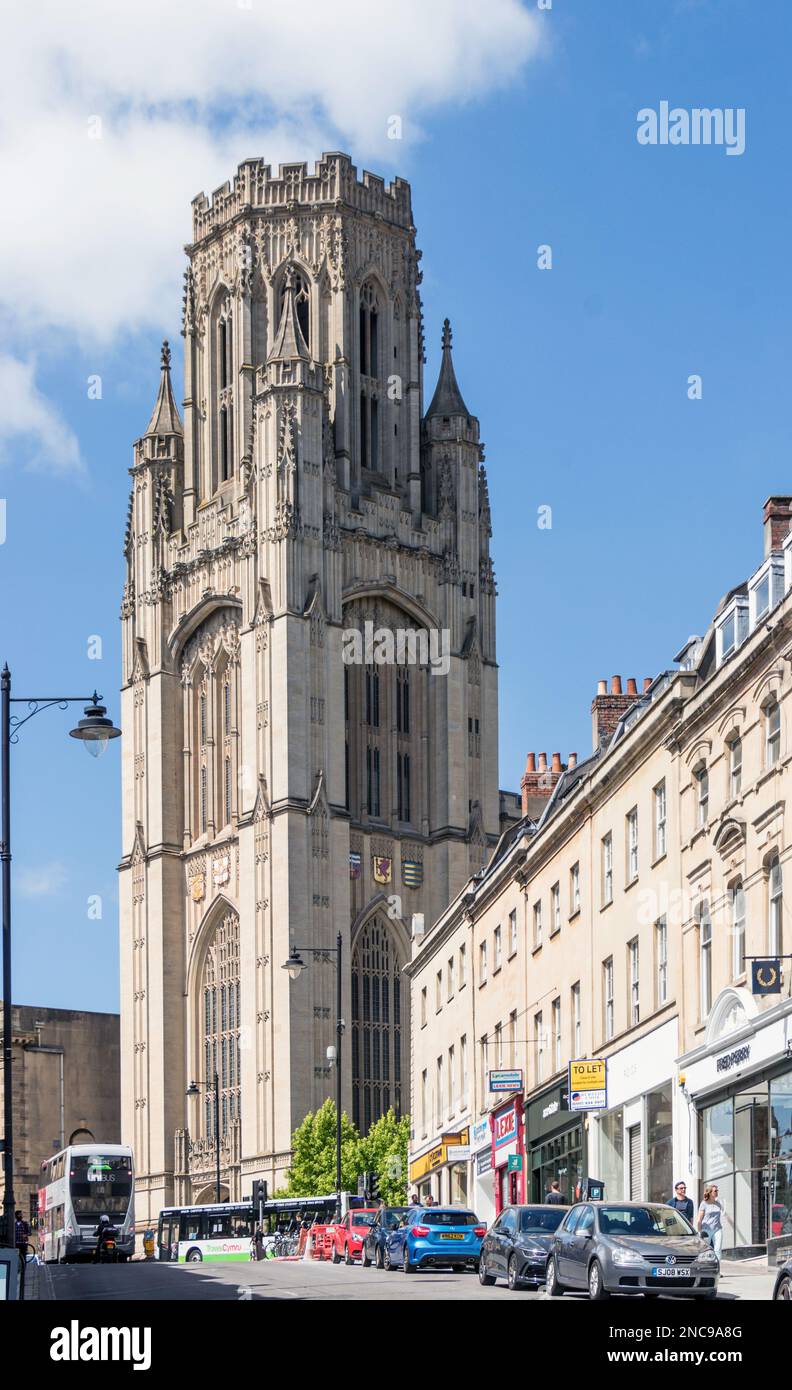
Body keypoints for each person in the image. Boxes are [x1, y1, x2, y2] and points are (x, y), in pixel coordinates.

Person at [697, 1183, 724, 1258]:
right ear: (710, 1192)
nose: (717, 1192)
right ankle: (705, 1266)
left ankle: (717, 1267)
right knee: (705, 1250)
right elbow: (699, 1219)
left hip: (717, 1229)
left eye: (717, 1190)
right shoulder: (704, 1204)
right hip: (706, 1230)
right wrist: (699, 1232)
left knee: (718, 1250)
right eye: (715, 1191)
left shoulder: (718, 1204)